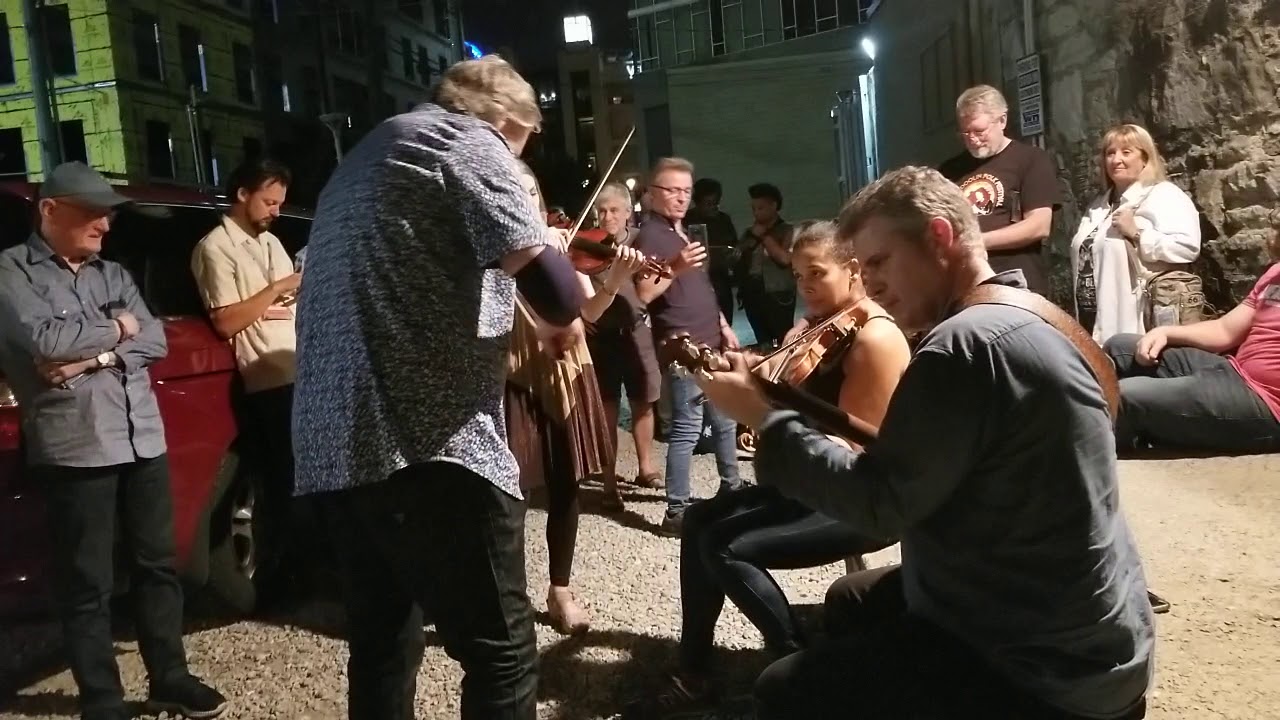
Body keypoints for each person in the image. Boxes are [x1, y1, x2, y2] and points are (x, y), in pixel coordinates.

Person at [695, 166, 1155, 720]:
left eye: (879, 262)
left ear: (939, 236)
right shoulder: (1029, 312)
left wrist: (765, 422)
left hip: (1044, 663)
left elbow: (880, 504)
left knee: (780, 690)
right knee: (850, 598)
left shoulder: (961, 345)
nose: (871, 283)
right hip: (1103, 629)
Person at [292, 55, 588, 719]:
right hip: (428, 443)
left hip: (334, 445)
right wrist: (547, 251)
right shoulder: (467, 141)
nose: (517, 161)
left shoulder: (367, 155)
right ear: (506, 121)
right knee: (502, 652)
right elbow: (561, 293)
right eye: (523, 144)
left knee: (383, 642)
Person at [633, 220, 910, 717]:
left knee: (725, 546)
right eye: (798, 275)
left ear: (852, 270)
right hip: (812, 482)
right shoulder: (823, 327)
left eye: (816, 273)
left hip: (860, 497)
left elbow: (855, 452)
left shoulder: (873, 338)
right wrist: (746, 380)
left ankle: (800, 667)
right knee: (698, 519)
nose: (804, 286)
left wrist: (768, 417)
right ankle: (695, 671)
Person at [0, 162, 226, 720]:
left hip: (141, 437)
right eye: (93, 213)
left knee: (157, 565)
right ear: (50, 210)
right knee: (87, 580)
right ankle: (102, 698)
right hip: (76, 446)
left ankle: (171, 676)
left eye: (108, 214)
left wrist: (95, 357)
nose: (105, 224)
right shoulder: (11, 271)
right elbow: (47, 341)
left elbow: (154, 339)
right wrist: (119, 329)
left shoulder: (114, 273)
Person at [506, 163, 646, 635]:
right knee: (512, 490)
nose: (527, 203)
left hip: (564, 369)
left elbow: (589, 313)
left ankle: (560, 589)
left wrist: (614, 277)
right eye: (515, 193)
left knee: (565, 483)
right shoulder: (492, 250)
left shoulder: (561, 249)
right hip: (513, 372)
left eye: (532, 194)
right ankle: (508, 594)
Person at [190, 158, 302, 599]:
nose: (276, 211)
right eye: (269, 201)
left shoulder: (271, 243)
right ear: (242, 194)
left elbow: (287, 301)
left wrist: (278, 298)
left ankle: (304, 570)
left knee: (303, 481)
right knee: (280, 484)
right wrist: (272, 293)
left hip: (297, 364)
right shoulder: (215, 247)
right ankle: (279, 583)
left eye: (280, 203)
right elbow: (226, 320)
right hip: (266, 378)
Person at [1102, 220, 1280, 455]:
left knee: (1124, 397)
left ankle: (1092, 463)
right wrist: (1165, 332)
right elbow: (1225, 330)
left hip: (1268, 404)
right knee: (1121, 349)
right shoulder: (1275, 274)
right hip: (1235, 371)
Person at [631, 157, 741, 536]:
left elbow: (702, 287)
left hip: (710, 340)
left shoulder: (684, 232)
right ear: (653, 193)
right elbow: (644, 294)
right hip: (682, 347)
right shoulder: (649, 235)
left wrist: (723, 325)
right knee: (687, 428)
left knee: (725, 420)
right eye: (672, 190)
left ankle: (732, 489)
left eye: (686, 191)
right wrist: (675, 267)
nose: (681, 198)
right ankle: (676, 510)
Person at [1071, 124, 1201, 343]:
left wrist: (1137, 233)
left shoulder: (1164, 195)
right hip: (1091, 322)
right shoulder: (1098, 206)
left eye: (1126, 152)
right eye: (1110, 153)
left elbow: (1187, 248)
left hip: (1138, 319)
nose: (1116, 159)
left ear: (1145, 158)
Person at [939, 84, 1061, 294]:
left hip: (1016, 285)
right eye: (965, 132)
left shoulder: (1031, 159)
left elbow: (1039, 226)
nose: (972, 139)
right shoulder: (950, 170)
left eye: (979, 131)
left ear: (1002, 121)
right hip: (965, 285)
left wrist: (978, 242)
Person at [588, 182, 664, 491]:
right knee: (606, 407)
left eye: (614, 210)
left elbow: (656, 283)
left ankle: (646, 467)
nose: (607, 217)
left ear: (628, 212)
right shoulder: (587, 246)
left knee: (643, 400)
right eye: (601, 211)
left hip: (636, 330)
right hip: (601, 336)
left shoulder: (640, 241)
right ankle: (608, 479)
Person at [735, 183, 796, 347]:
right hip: (752, 291)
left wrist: (764, 237)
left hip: (778, 293)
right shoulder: (749, 233)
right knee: (762, 338)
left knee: (782, 338)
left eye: (760, 208)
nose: (756, 213)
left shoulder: (787, 230)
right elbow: (735, 257)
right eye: (753, 208)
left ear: (773, 206)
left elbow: (785, 259)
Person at [686, 178, 739, 323]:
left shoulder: (723, 220)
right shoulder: (687, 220)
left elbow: (734, 245)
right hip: (695, 280)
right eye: (708, 204)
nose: (714, 207)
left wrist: (733, 254)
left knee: (725, 320)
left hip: (721, 280)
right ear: (698, 203)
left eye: (716, 203)